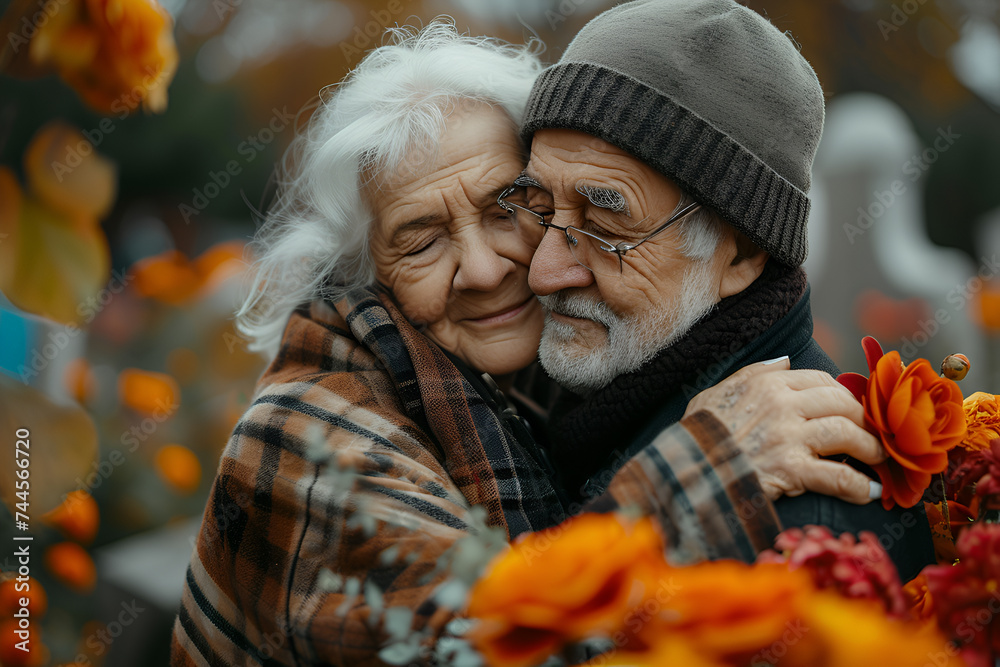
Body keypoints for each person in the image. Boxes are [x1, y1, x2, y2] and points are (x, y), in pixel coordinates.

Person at [172, 23, 889, 667]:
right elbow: (477, 648)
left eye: (511, 207)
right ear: (363, 274)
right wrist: (705, 472)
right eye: (420, 241)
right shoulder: (308, 433)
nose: (486, 271)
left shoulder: (545, 377)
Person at [509, 0, 934, 581]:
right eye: (537, 207)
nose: (544, 272)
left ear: (741, 252)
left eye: (606, 224)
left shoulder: (807, 524)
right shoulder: (591, 406)